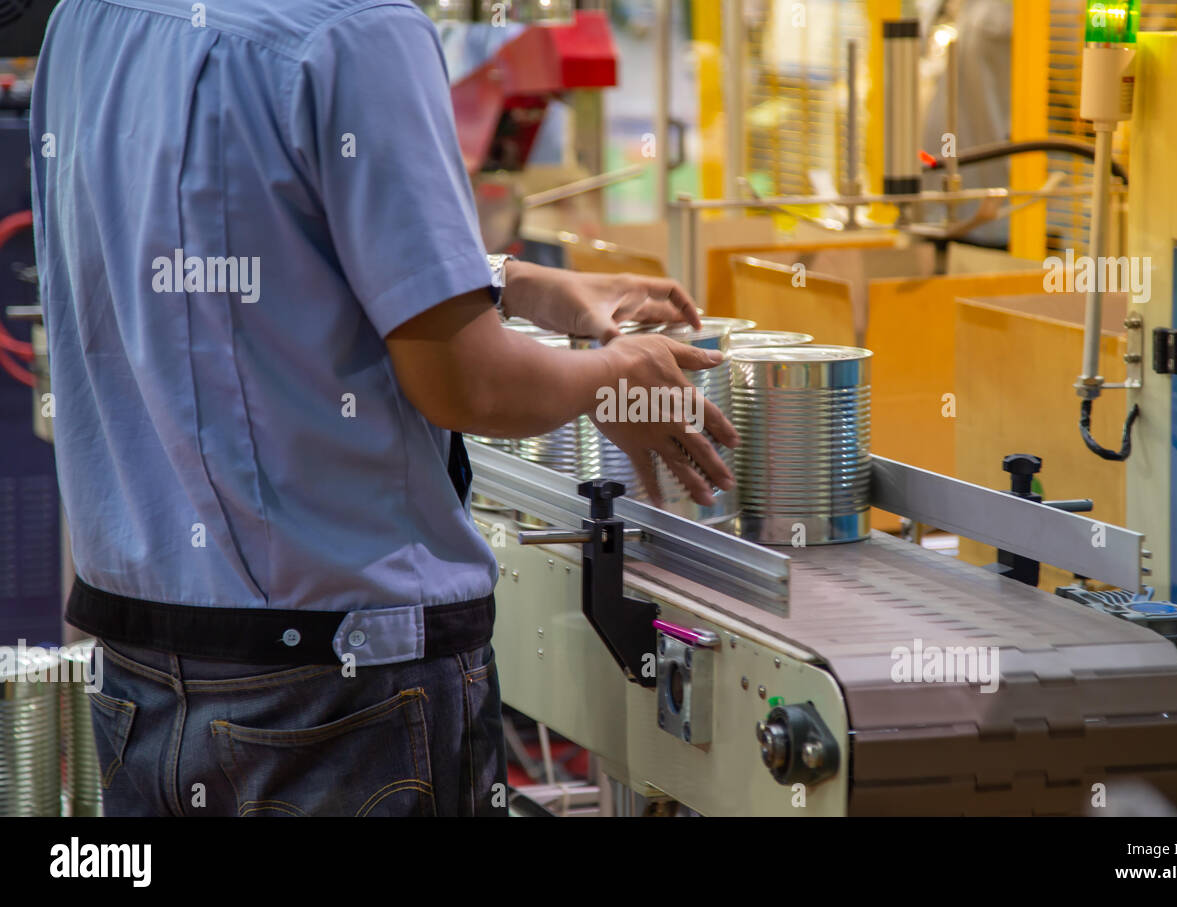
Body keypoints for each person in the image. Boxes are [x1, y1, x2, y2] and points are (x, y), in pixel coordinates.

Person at [30, 0, 736, 817]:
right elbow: (467, 383)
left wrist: (504, 282)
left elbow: (230, 240)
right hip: (339, 698)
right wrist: (616, 376)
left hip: (139, 676)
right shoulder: (359, 26)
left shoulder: (86, 17)